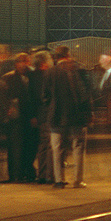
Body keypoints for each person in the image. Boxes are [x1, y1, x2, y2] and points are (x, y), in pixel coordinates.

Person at [45, 46, 91, 188]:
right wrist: (88, 113)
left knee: (57, 149)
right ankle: (77, 180)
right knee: (78, 147)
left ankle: (59, 180)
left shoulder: (50, 72)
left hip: (56, 117)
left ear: (56, 57)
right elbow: (84, 94)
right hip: (76, 116)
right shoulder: (77, 71)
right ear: (68, 55)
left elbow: (44, 96)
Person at [0, 52, 30, 182]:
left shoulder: (29, 77)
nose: (23, 64)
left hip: (26, 116)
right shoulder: (8, 78)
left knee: (26, 146)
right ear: (16, 64)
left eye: (25, 61)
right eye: (21, 61)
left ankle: (23, 172)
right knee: (15, 147)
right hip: (15, 118)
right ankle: (15, 174)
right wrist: (7, 109)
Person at [28, 50, 53, 184]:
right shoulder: (46, 76)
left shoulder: (31, 76)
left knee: (43, 145)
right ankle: (48, 174)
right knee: (49, 145)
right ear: (44, 63)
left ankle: (42, 174)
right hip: (46, 114)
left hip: (38, 115)